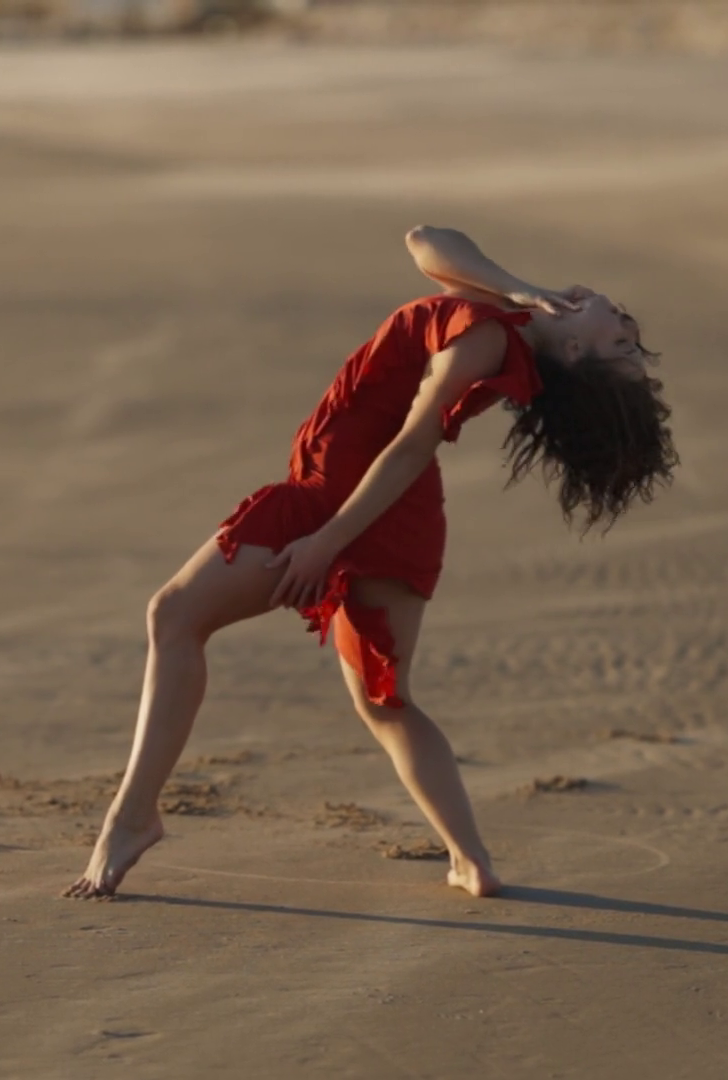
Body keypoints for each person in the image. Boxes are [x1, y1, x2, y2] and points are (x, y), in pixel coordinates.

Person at [64, 226, 678, 900]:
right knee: (387, 705)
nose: (622, 319)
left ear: (571, 349)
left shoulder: (486, 339)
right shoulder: (502, 318)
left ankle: (133, 817)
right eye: (627, 334)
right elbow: (427, 241)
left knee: (174, 616)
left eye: (619, 341)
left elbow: (411, 444)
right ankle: (470, 861)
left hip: (341, 502)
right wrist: (524, 287)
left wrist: (325, 538)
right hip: (395, 513)